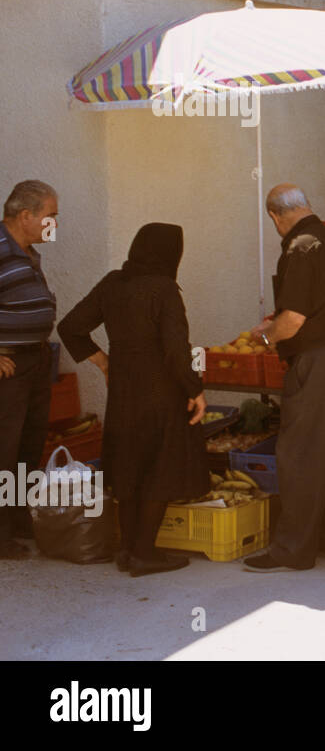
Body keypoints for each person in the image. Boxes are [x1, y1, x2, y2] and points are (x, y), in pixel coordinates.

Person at [58, 224, 208, 576]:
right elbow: (175, 349)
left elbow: (70, 326)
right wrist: (194, 389)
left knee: (128, 462)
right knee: (161, 464)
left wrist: (103, 362)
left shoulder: (113, 282)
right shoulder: (164, 288)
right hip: (161, 389)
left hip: (124, 388)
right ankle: (144, 553)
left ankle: (126, 550)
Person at [243, 185, 325, 572]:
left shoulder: (300, 247)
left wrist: (264, 336)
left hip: (317, 360)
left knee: (302, 453)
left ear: (275, 217)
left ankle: (293, 550)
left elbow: (293, 321)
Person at [0, 180, 59, 560]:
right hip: (10, 365)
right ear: (26, 216)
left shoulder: (27, 250)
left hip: (36, 360)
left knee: (28, 444)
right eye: (50, 217)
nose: (54, 225)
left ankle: (19, 519)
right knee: (4, 449)